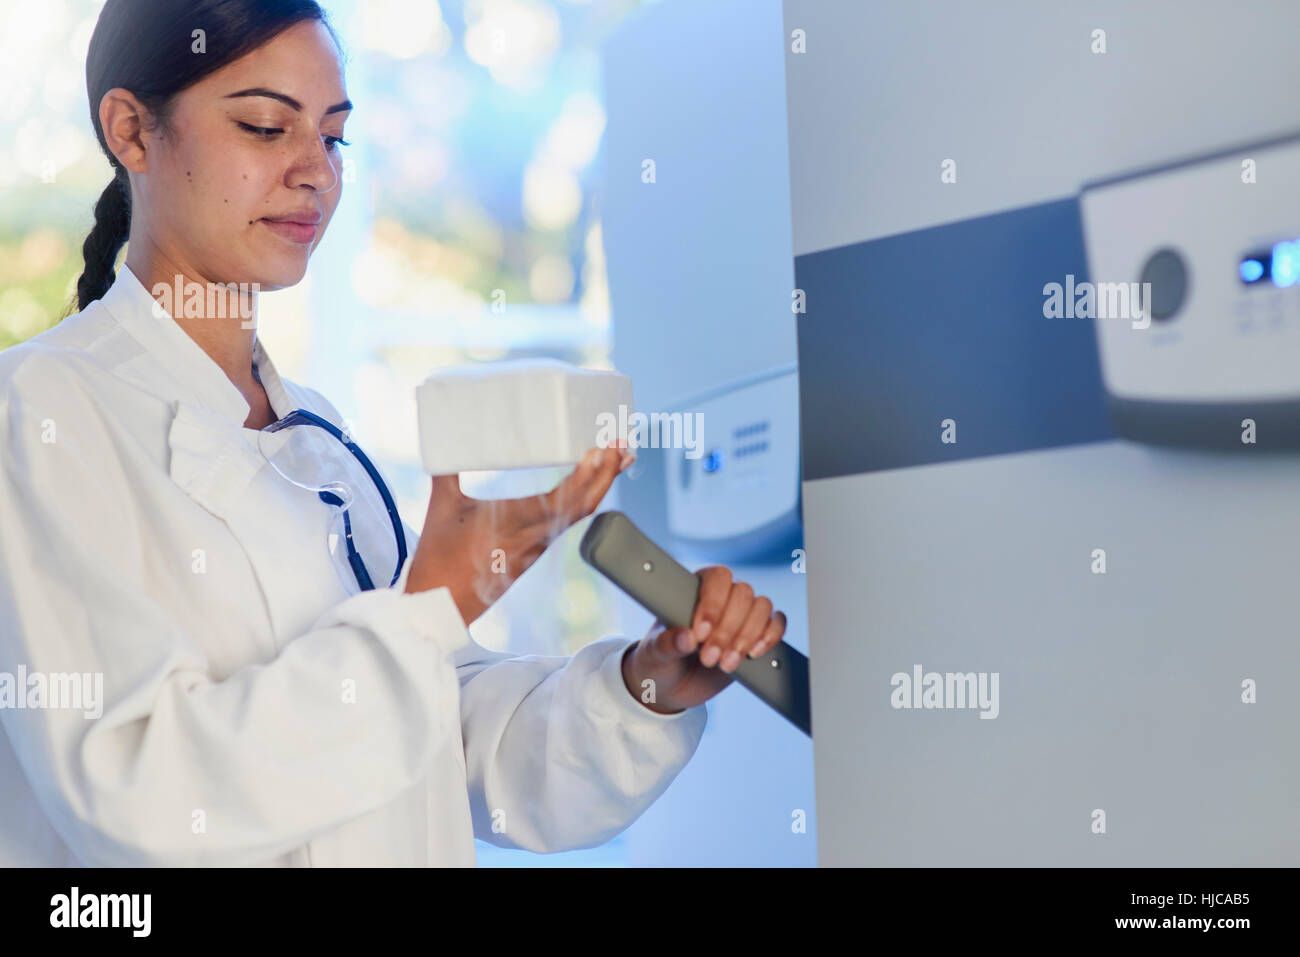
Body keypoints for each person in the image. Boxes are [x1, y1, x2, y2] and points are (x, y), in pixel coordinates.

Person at [0, 0, 788, 866]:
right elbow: (140, 791)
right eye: (266, 127)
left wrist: (646, 683)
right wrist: (432, 608)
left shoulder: (317, 438)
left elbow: (438, 741)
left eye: (334, 137)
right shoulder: (44, 409)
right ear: (131, 133)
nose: (317, 173)